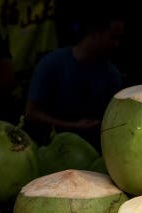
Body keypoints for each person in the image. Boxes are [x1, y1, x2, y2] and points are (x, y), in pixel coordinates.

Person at [24, 6, 124, 146]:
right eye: (112, 37)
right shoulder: (52, 64)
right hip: (49, 145)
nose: (116, 44)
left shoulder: (112, 75)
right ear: (95, 33)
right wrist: (73, 126)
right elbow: (31, 113)